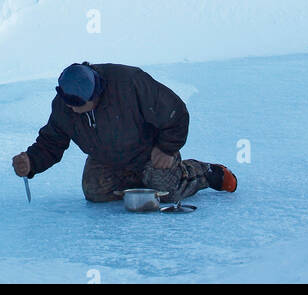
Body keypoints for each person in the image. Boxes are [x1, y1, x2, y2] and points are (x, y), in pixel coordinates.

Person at [12, 61, 237, 203]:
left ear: (95, 94)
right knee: (94, 192)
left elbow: (175, 112)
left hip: (150, 152)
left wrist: (167, 148)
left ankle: (203, 172)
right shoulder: (66, 103)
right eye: (68, 103)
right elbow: (52, 141)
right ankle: (142, 182)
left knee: (166, 192)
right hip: (108, 158)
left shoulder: (130, 83)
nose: (72, 109)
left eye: (78, 105)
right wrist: (32, 162)